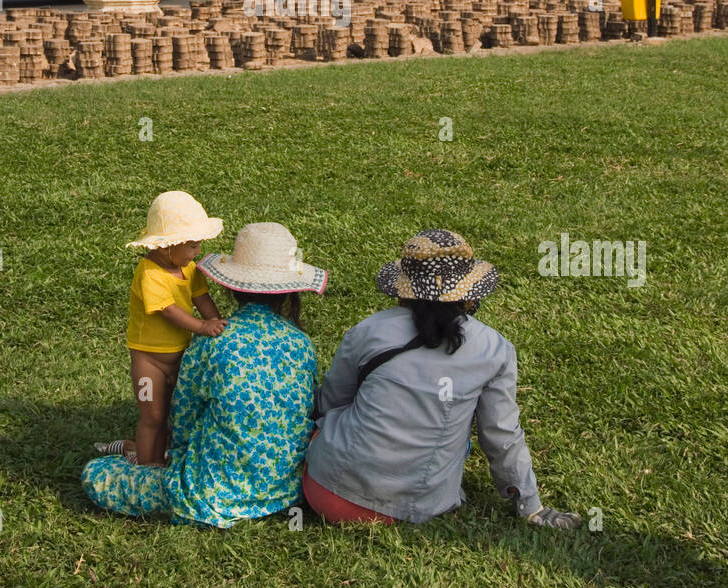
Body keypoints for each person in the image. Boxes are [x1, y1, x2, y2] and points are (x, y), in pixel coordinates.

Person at [304, 229, 581, 531]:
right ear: (468, 291)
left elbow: (331, 402)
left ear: (403, 287)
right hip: (415, 508)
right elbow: (501, 435)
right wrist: (531, 505)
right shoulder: (494, 348)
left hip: (327, 493)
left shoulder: (369, 330)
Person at [83, 223, 327, 526]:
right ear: (290, 290)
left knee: (96, 474)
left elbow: (183, 420)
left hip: (208, 494)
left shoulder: (209, 344)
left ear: (230, 287)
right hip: (284, 491)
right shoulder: (301, 344)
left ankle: (135, 457)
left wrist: (178, 457)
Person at [117, 192, 226, 467]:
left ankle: (162, 455)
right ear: (168, 245)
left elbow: (202, 298)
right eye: (192, 245)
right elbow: (169, 310)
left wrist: (220, 324)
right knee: (152, 415)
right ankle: (146, 465)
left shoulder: (188, 268)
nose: (197, 251)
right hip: (149, 360)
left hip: (179, 356)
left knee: (174, 412)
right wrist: (202, 326)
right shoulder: (149, 273)